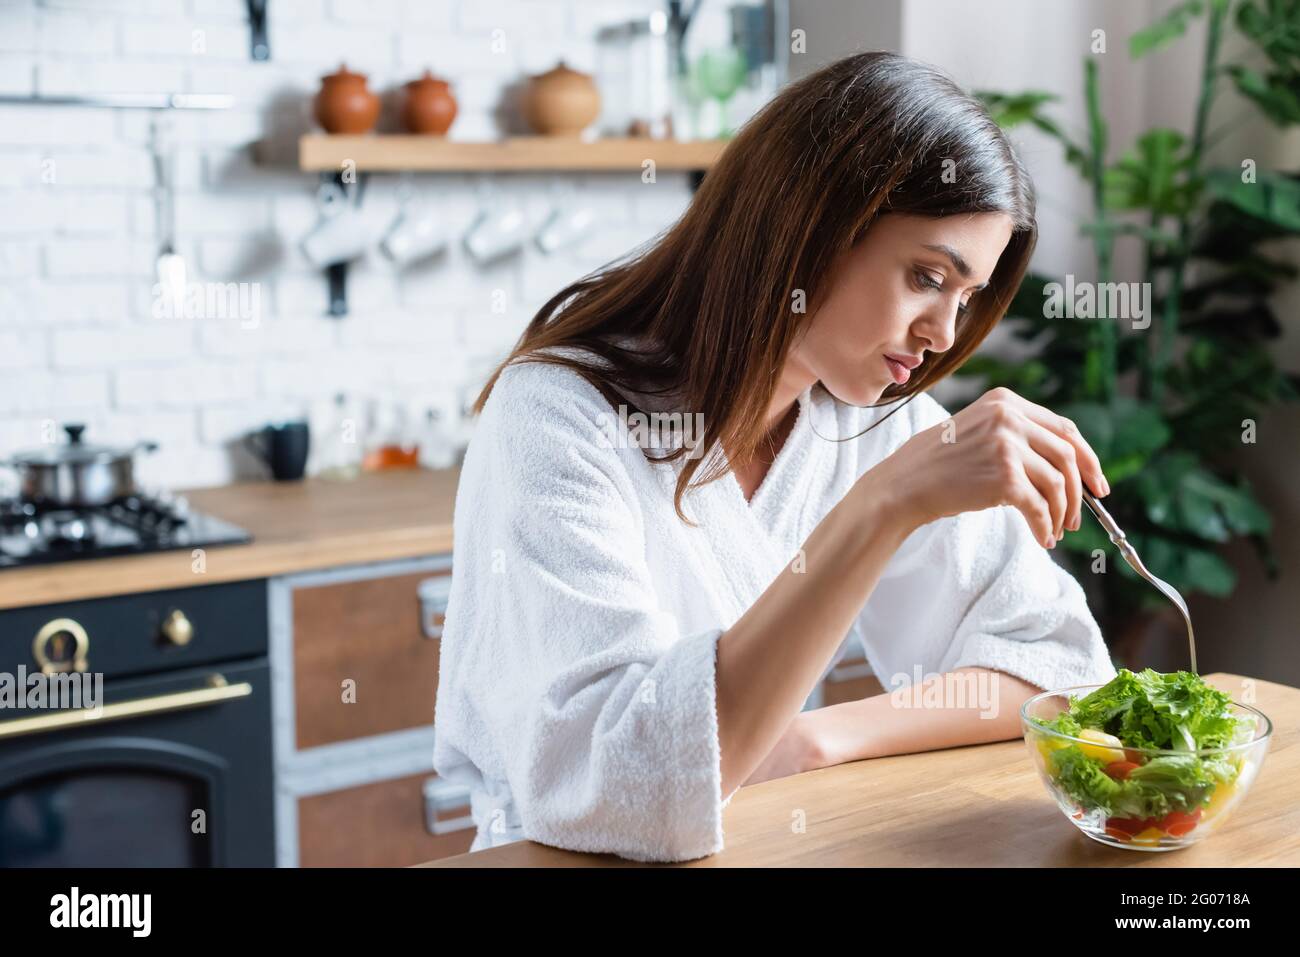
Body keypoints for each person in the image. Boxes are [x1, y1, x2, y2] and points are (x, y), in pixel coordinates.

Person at [432, 51, 1117, 863]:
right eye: (927, 276)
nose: (944, 335)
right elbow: (622, 790)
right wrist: (883, 506)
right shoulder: (557, 414)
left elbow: (1061, 671)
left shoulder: (870, 423)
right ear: (810, 228)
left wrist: (814, 739)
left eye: (966, 299)